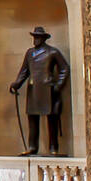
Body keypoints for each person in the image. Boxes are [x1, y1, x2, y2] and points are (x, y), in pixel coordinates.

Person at [9, 26, 69, 156]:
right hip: (34, 89)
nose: (35, 39)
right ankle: (32, 147)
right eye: (34, 37)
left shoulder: (52, 52)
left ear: (43, 38)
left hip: (48, 90)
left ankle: (53, 148)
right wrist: (17, 84)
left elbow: (64, 68)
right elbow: (24, 71)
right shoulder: (29, 53)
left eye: (37, 37)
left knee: (52, 119)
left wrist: (59, 85)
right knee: (32, 119)